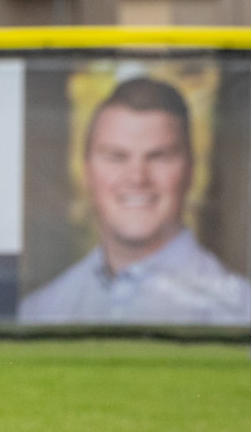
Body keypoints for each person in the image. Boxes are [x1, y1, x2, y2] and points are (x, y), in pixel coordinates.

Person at [20, 76, 251, 325]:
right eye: (116, 156)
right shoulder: (39, 312)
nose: (137, 177)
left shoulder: (239, 311)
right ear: (87, 170)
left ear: (190, 170)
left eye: (158, 157)